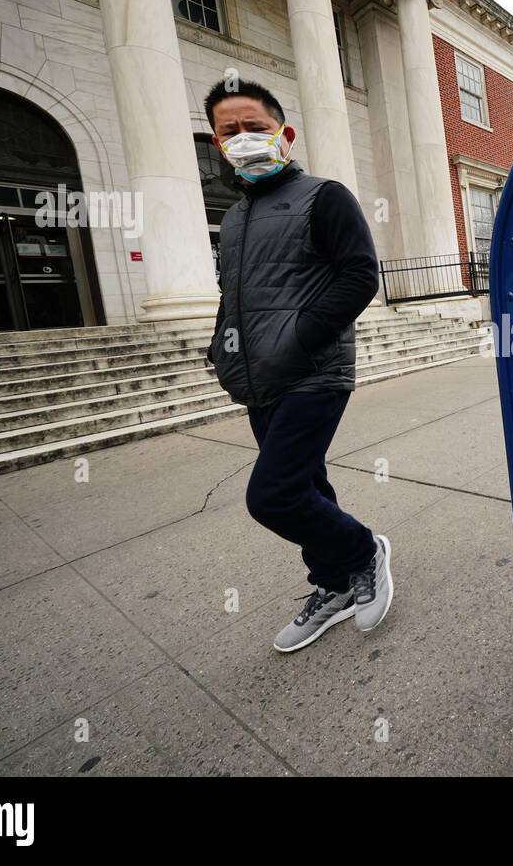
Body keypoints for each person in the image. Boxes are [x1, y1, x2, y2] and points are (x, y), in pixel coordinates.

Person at [203, 79, 393, 653]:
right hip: (257, 379)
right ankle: (334, 585)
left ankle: (365, 552)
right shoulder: (234, 217)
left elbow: (359, 276)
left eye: (255, 127)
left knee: (274, 495)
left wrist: (298, 338)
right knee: (308, 485)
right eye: (229, 131)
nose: (244, 139)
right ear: (217, 144)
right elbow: (232, 294)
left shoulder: (323, 195)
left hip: (314, 371)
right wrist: (221, 347)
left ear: (283, 133)